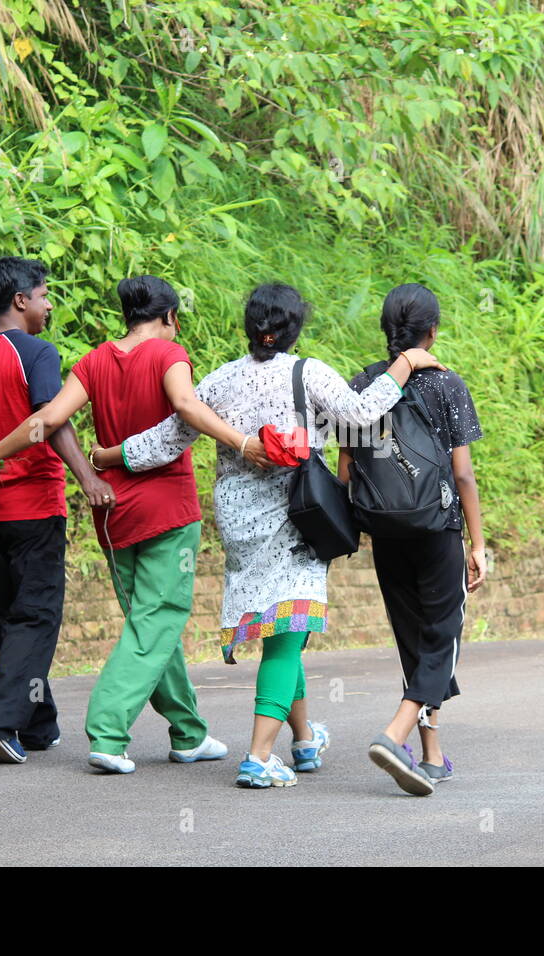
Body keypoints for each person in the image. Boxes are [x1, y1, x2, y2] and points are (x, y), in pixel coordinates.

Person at [104, 282, 443, 789]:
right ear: (294, 328)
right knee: (285, 636)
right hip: (297, 517)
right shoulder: (307, 374)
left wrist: (109, 456)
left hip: (239, 521)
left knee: (284, 623)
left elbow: (168, 438)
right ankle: (259, 756)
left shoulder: (220, 381)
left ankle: (304, 739)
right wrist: (407, 363)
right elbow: (360, 414)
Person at [0, 275, 269, 775]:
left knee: (149, 624)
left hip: (114, 515)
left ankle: (188, 733)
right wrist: (242, 443)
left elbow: (47, 420)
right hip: (167, 512)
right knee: (158, 619)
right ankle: (107, 731)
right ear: (169, 317)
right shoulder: (171, 355)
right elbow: (187, 406)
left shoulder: (94, 361)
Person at [0, 256, 113, 764]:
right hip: (35, 506)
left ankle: (37, 722)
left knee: (6, 620)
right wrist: (88, 477)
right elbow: (50, 418)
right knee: (35, 617)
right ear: (20, 300)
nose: (48, 304)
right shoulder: (37, 352)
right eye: (43, 296)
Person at [338, 283, 486, 796]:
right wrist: (478, 541)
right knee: (442, 633)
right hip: (438, 525)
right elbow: (463, 475)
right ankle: (395, 733)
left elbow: (347, 467)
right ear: (433, 331)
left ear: (387, 332)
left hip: (386, 529)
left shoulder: (365, 385)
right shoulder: (447, 385)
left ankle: (431, 754)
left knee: (412, 636)